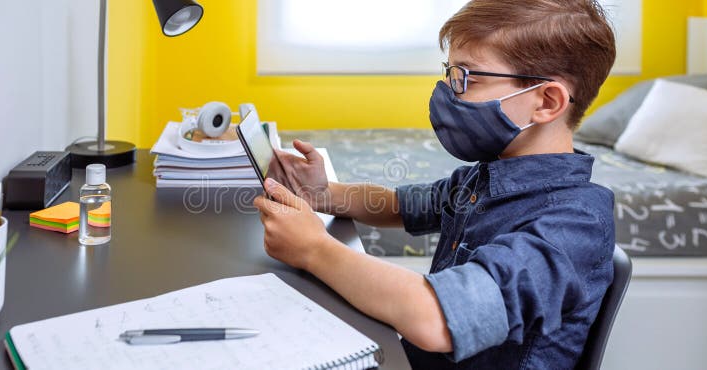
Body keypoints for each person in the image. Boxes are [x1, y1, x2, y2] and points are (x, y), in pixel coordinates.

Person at [253, 0, 617, 368]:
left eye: (467, 78)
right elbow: (398, 204)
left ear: (547, 101)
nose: (447, 90)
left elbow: (439, 319)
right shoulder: (489, 174)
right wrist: (326, 193)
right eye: (450, 73)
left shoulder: (574, 225)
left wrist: (314, 248)